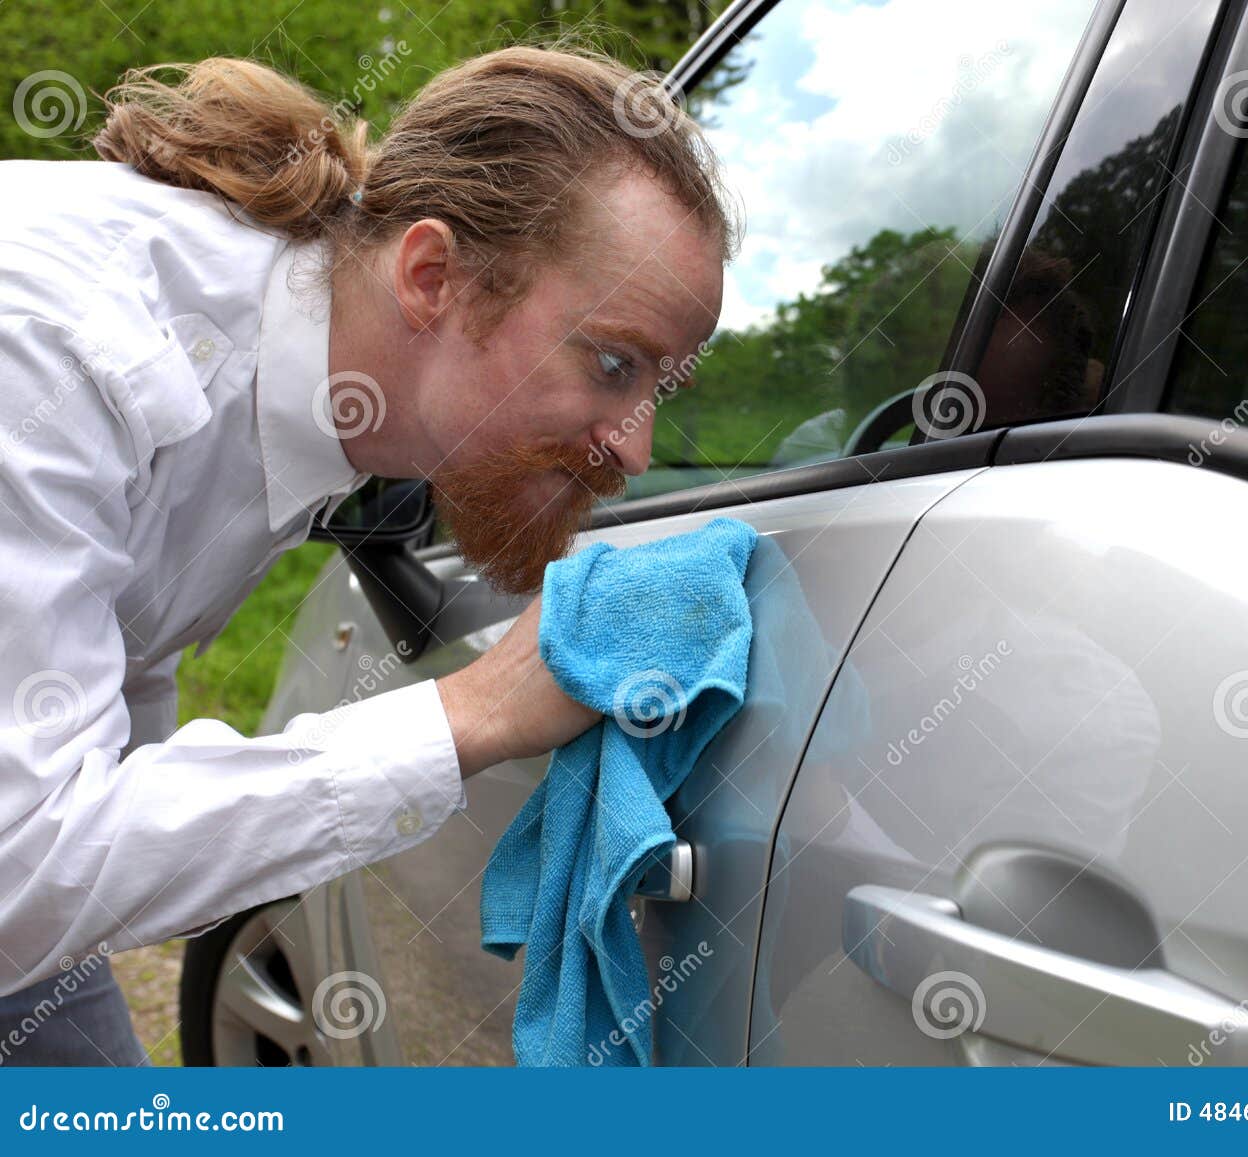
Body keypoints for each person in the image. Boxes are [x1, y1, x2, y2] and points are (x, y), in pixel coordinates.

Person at [0, 45, 734, 1063]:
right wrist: (471, 712)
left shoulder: (303, 382)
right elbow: (17, 865)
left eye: (662, 386)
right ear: (433, 276)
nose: (635, 443)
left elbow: (105, 692)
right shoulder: (53, 344)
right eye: (613, 363)